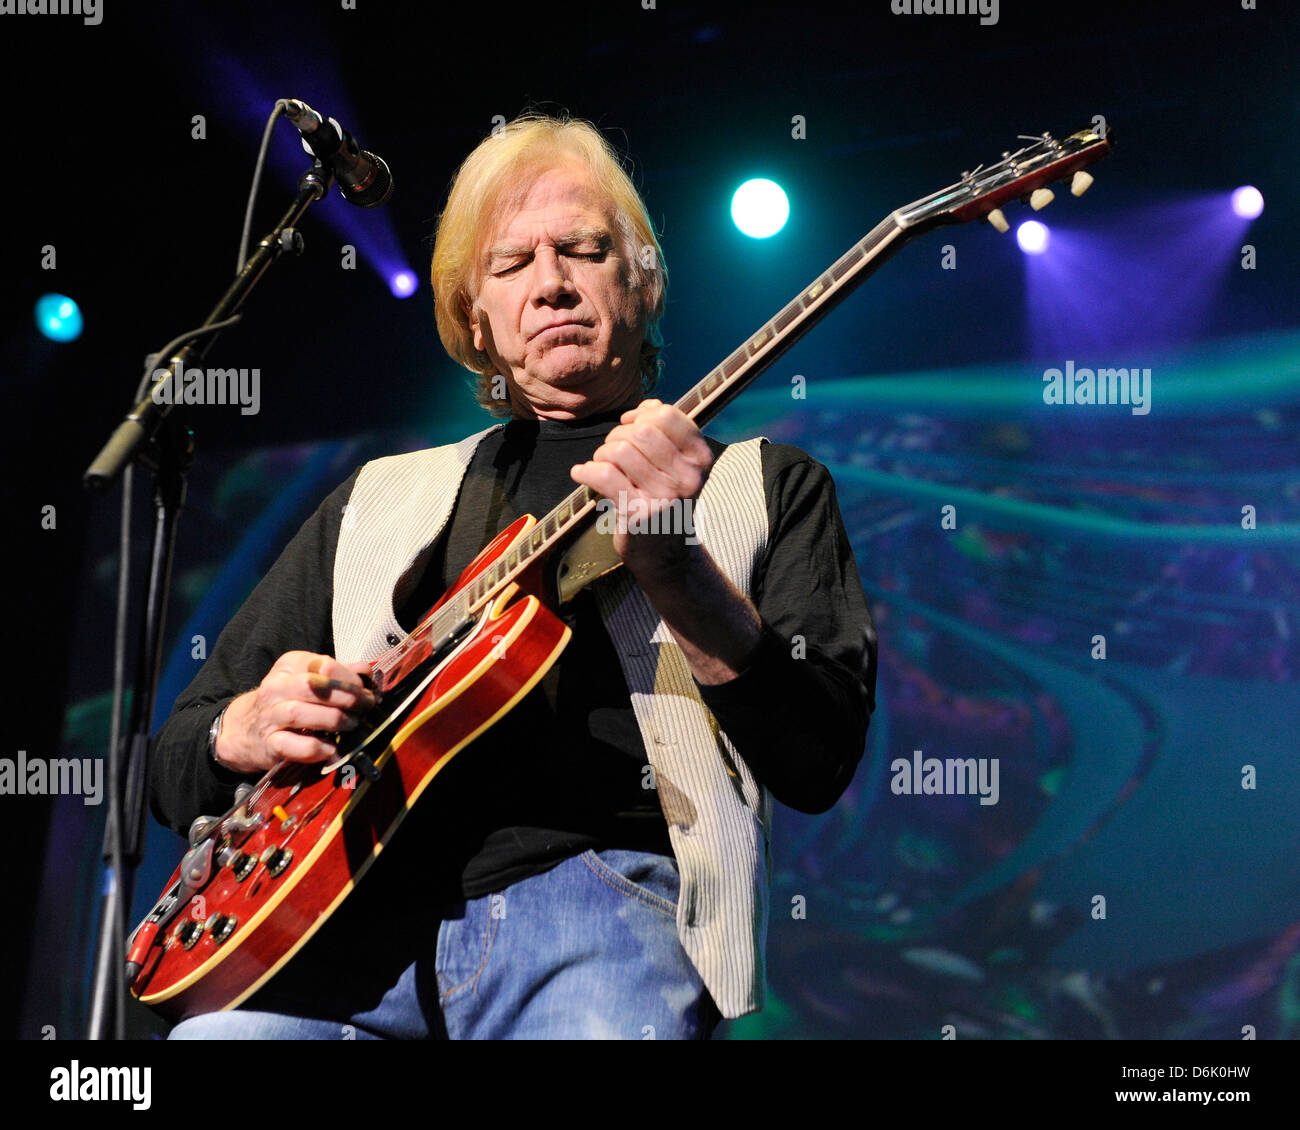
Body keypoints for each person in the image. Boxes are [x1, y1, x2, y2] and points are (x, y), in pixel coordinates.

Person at [149, 111, 878, 1040]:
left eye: (582, 249)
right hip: (341, 935)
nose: (551, 283)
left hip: (601, 915)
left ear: (644, 280)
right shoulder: (377, 499)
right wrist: (240, 728)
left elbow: (818, 758)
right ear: (475, 319)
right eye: (512, 263)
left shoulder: (764, 484)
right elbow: (171, 770)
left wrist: (675, 567)